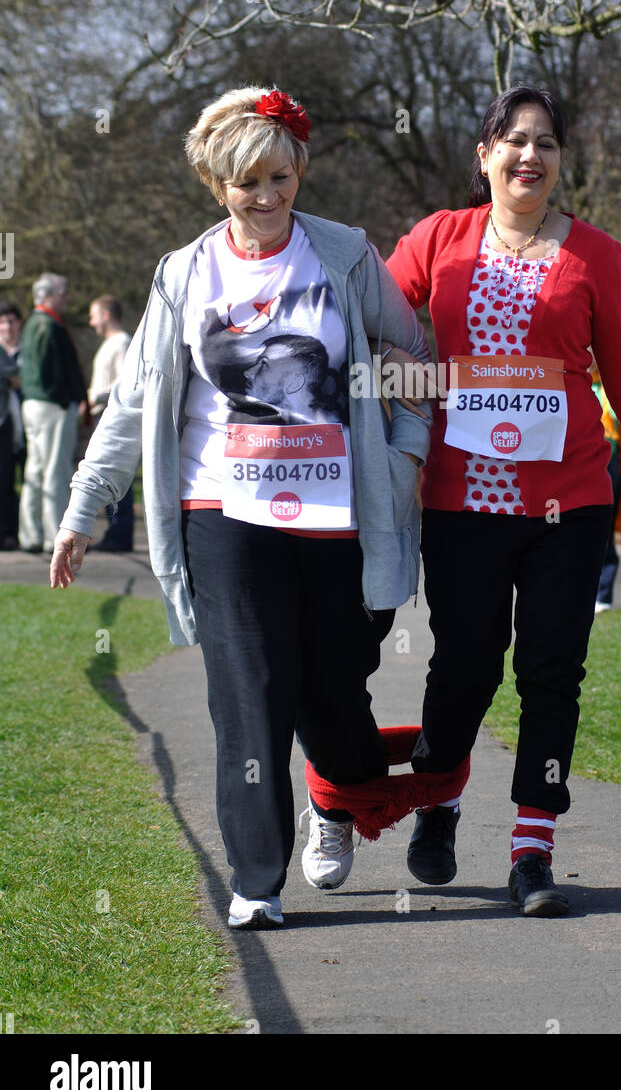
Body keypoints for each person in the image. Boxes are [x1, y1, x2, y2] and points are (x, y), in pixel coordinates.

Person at [50, 86, 432, 930]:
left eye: (280, 178)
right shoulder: (185, 273)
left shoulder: (345, 256)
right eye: (245, 183)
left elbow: (413, 355)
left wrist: (404, 454)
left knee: (335, 699)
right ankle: (256, 881)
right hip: (222, 510)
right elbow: (138, 401)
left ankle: (338, 797)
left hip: (339, 518)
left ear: (301, 173)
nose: (265, 198)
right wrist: (85, 507)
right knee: (249, 691)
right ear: (216, 184)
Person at [384, 84, 621, 917]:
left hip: (567, 503)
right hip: (462, 500)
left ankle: (532, 852)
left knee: (550, 675)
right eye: (514, 140)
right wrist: (411, 386)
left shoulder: (596, 256)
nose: (530, 156)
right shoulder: (440, 239)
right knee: (462, 666)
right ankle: (438, 800)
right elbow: (374, 323)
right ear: (485, 155)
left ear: (560, 160)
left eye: (546, 143)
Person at [18, 275, 87, 555]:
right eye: (64, 292)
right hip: (51, 405)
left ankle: (30, 532)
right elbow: (54, 370)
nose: (67, 298)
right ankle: (52, 535)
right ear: (52, 294)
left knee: (35, 470)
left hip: (34, 403)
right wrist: (65, 399)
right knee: (55, 472)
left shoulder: (32, 324)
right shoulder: (48, 325)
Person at [86, 296, 134, 552]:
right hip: (101, 416)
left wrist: (94, 396)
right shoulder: (109, 344)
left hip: (112, 418)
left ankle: (120, 535)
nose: (91, 322)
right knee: (107, 476)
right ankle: (115, 533)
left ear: (106, 315)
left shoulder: (122, 342)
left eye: (94, 315)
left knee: (116, 475)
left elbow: (123, 382)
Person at [590, 356, 621, 612]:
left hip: (608, 461)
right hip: (580, 461)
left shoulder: (610, 387)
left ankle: (604, 594)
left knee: (604, 529)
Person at [0, 300, 23, 549]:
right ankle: (6, 532)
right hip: (5, 424)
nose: (7, 326)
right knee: (4, 481)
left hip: (29, 424)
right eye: (3, 322)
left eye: (12, 321)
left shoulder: (29, 352)